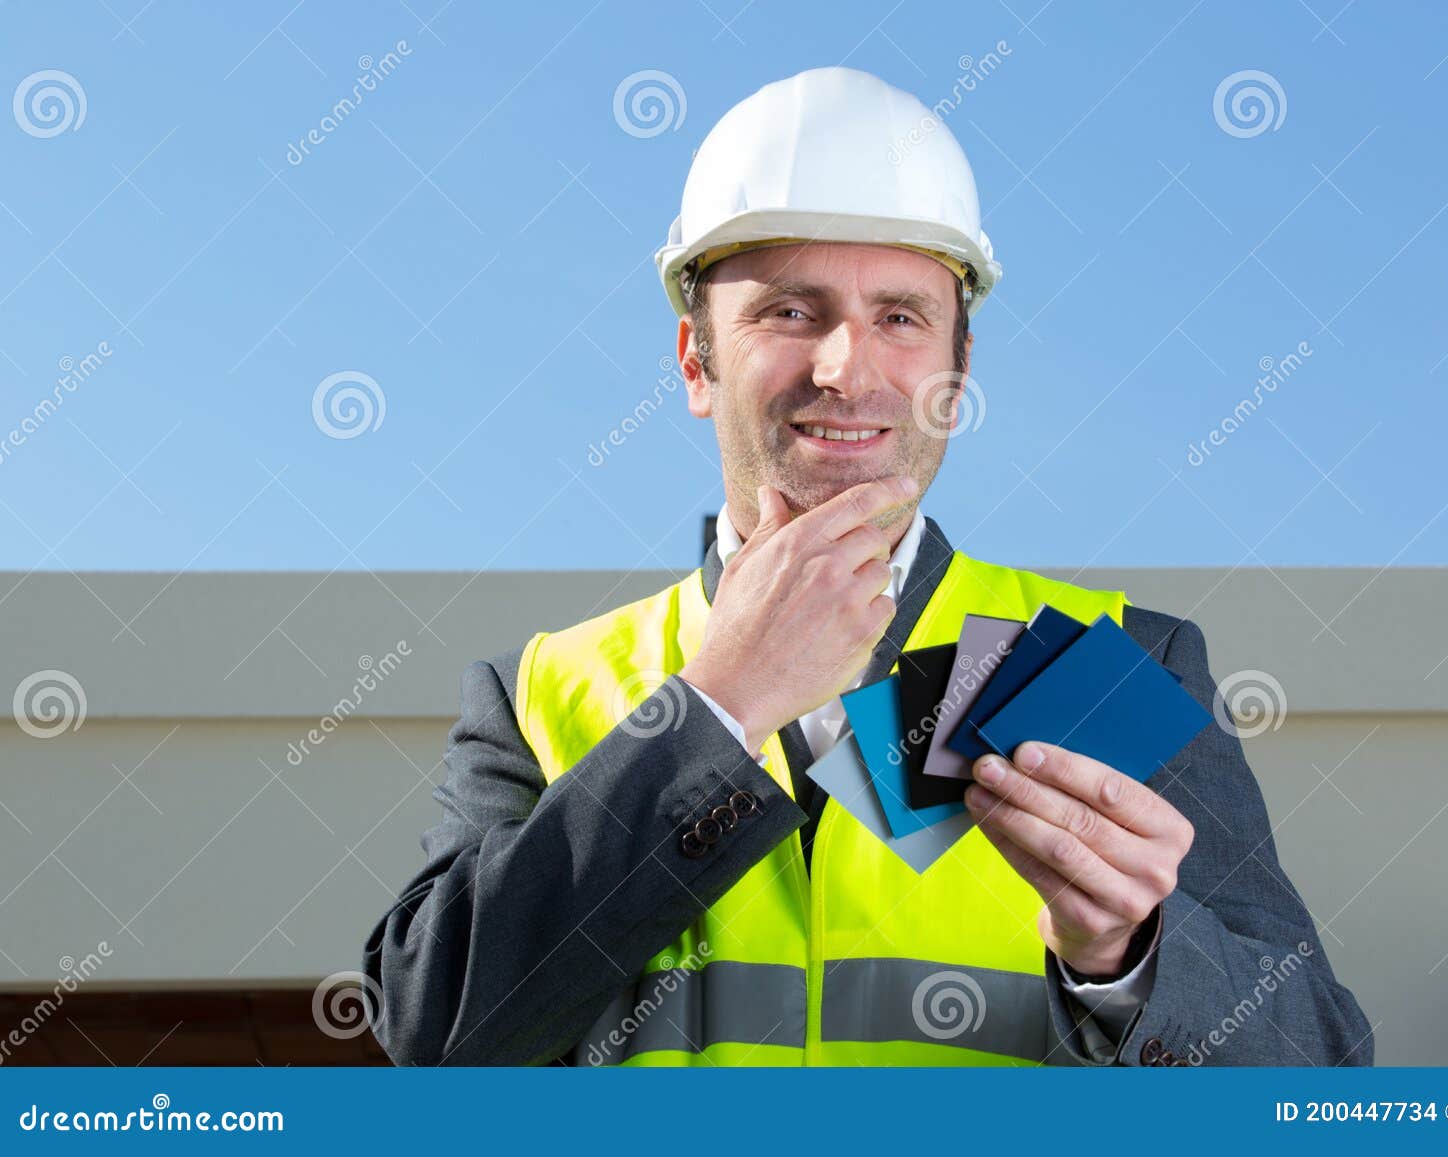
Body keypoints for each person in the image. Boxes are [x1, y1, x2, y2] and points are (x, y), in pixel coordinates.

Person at [361, 66, 1373, 1067]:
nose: (846, 369)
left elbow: (1319, 1071)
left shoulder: (1100, 660)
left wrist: (1130, 957)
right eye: (790, 311)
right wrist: (717, 704)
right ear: (693, 360)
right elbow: (434, 1034)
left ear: (956, 369)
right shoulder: (539, 694)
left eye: (899, 317)